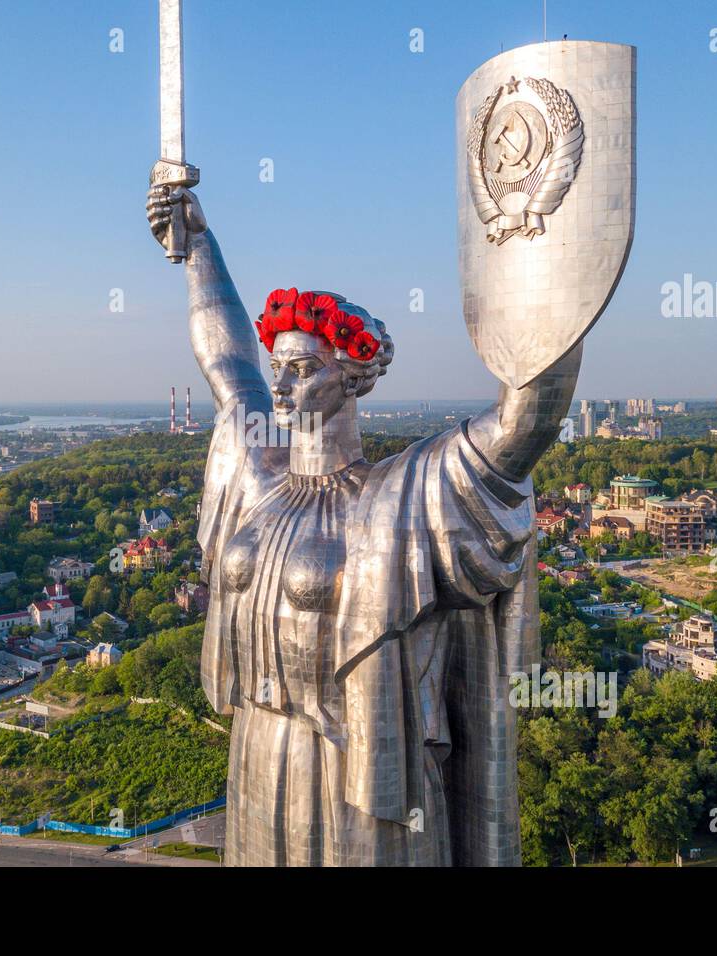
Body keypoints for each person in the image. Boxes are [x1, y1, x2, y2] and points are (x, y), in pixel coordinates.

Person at [146, 183, 580, 866]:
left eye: (302, 370)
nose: (281, 389)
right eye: (278, 370)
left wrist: (540, 241)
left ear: (351, 377)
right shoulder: (256, 476)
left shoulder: (400, 498)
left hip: (357, 779)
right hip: (257, 752)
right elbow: (226, 361)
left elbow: (529, 419)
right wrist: (196, 243)